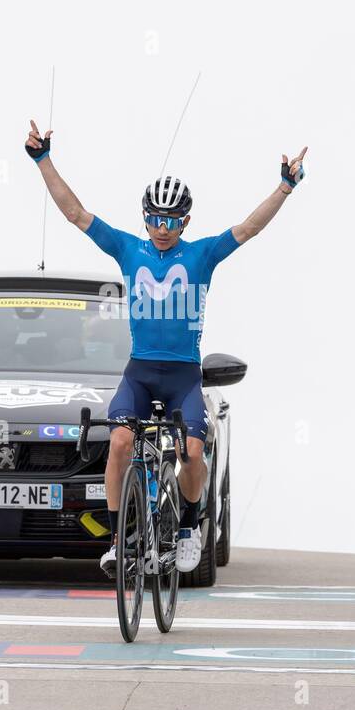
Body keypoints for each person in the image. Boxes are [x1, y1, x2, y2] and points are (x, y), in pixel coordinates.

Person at [24, 119, 308, 577]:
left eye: (172, 221)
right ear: (145, 217)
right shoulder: (127, 248)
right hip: (139, 372)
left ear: (186, 222)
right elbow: (75, 214)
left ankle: (189, 529)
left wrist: (284, 188)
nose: (162, 228)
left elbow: (250, 228)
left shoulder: (202, 255)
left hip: (182, 377)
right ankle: (118, 542)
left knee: (192, 453)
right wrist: (42, 160)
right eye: (155, 219)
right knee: (118, 443)